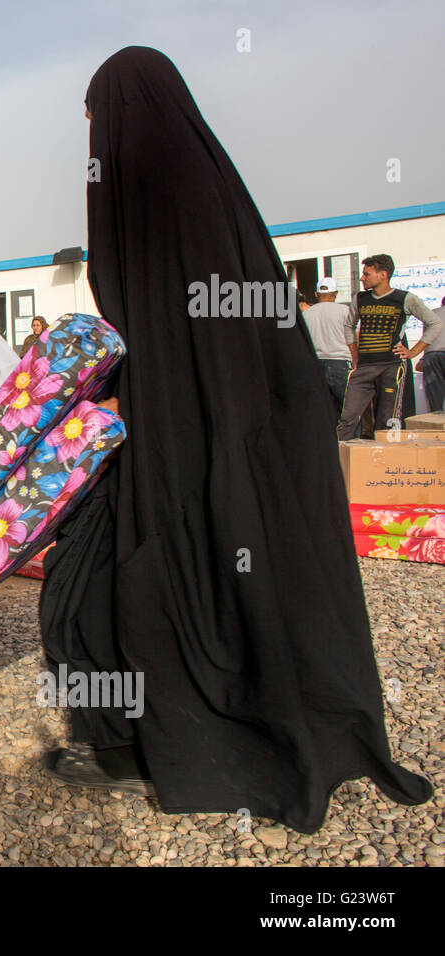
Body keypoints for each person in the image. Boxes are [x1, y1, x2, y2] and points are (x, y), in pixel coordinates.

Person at [38, 46, 430, 833]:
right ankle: (199, 735)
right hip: (243, 429)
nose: (90, 139)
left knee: (103, 587)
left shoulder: (141, 187)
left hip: (185, 433)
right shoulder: (208, 184)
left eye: (92, 120)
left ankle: (167, 745)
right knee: (221, 573)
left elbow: (144, 320)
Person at [336, 254, 442, 439]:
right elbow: (349, 325)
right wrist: (354, 354)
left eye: (367, 274)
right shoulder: (360, 298)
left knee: (388, 420)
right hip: (364, 368)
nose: (362, 278)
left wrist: (414, 352)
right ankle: (337, 462)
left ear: (383, 275)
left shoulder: (404, 298)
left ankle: (385, 463)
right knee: (347, 418)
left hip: (391, 367)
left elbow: (434, 323)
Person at [302, 277, 357, 424]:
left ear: (316, 294)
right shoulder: (345, 311)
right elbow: (354, 338)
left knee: (320, 411)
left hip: (315, 365)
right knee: (348, 410)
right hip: (341, 364)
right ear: (335, 294)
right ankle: (351, 443)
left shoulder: (306, 315)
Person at [419, 303, 445, 412]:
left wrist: (423, 359)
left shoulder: (432, 313)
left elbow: (427, 339)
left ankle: (436, 423)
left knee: (435, 397)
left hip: (432, 355)